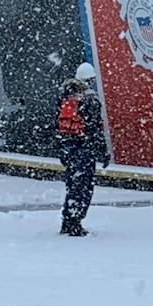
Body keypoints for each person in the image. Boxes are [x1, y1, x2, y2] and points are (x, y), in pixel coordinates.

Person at [57, 62, 110, 237]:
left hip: (68, 147)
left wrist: (62, 148)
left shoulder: (64, 97)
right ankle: (74, 222)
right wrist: (102, 151)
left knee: (72, 185)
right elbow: (94, 128)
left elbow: (57, 125)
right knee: (84, 187)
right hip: (84, 149)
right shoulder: (90, 101)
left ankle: (68, 220)